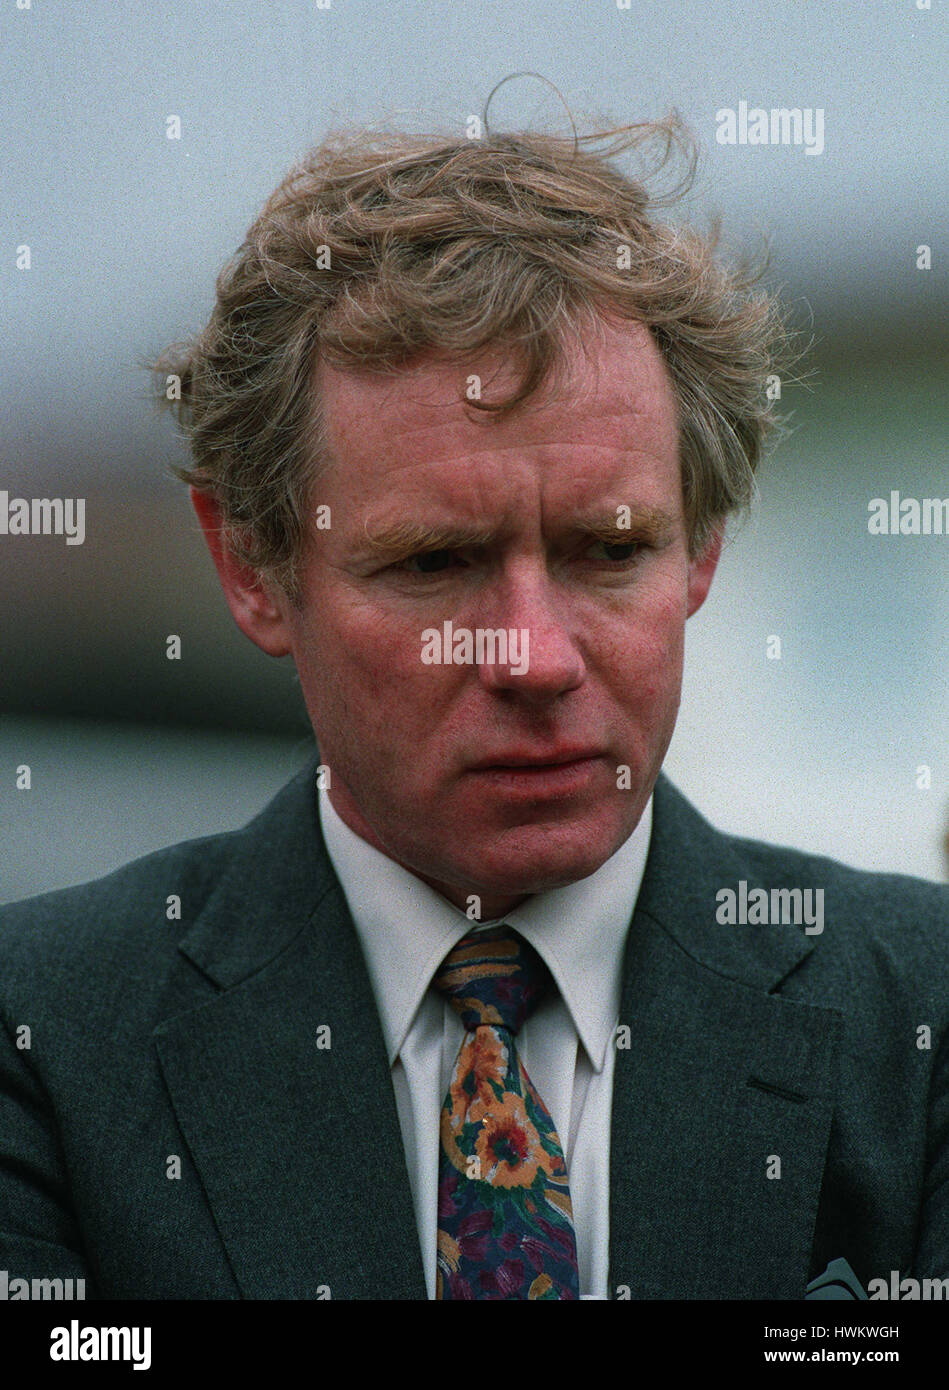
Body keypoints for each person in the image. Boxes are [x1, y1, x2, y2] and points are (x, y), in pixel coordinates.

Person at [1, 113, 947, 1302]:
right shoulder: (40, 1035)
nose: (534, 655)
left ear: (701, 546)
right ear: (251, 566)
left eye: (608, 550)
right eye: (435, 563)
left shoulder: (921, 1016)